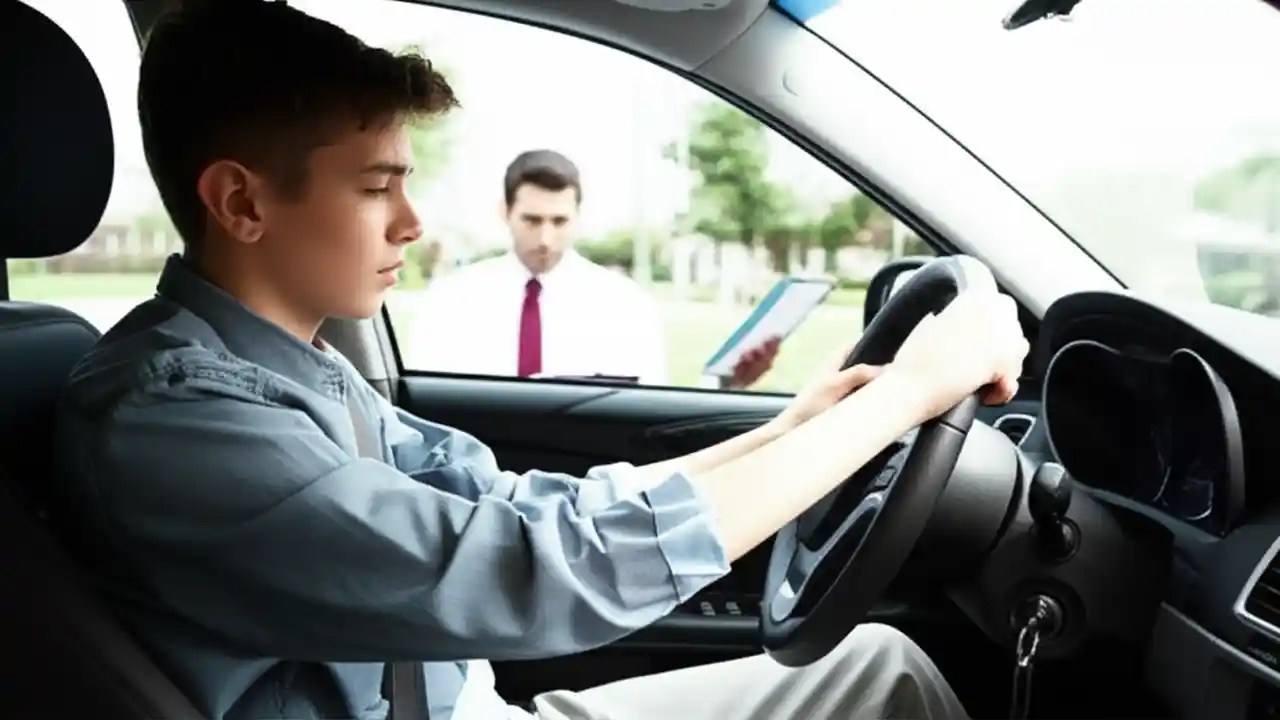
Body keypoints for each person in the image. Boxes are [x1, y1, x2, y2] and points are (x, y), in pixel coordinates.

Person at [51, 3, 1028, 720]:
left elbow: (519, 510)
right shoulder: (175, 418)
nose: (411, 220)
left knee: (878, 668)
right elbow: (544, 573)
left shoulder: (286, 375)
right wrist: (908, 391)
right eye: (375, 186)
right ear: (242, 204)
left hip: (468, 705)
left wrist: (790, 428)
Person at [411, 149, 778, 389]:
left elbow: (652, 408)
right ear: (504, 212)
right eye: (531, 220)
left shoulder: (624, 305)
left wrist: (726, 386)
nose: (545, 238)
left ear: (578, 217)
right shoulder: (450, 301)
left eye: (559, 220)